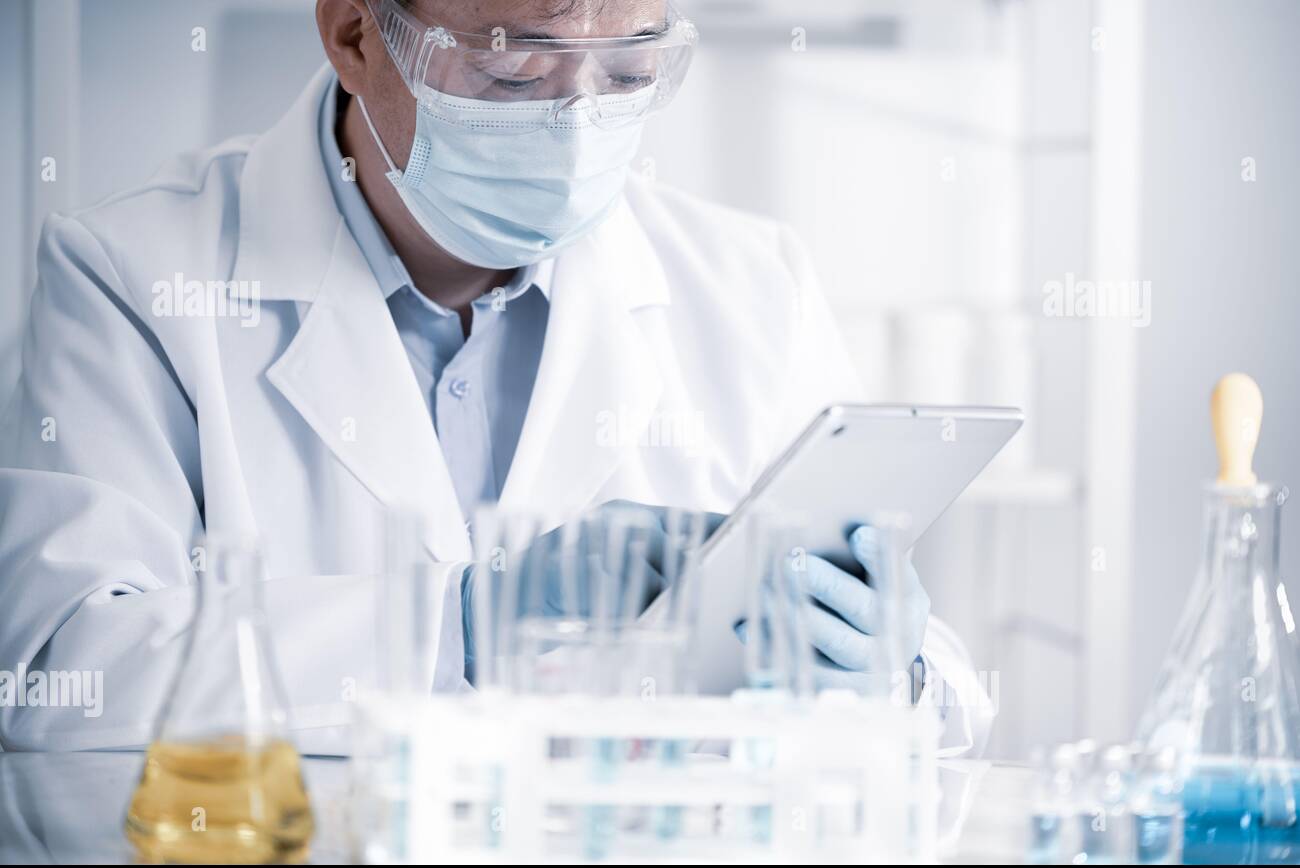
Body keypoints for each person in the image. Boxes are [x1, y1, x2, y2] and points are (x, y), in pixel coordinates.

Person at [0, 0, 991, 755]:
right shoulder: (132, 272)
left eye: (632, 60)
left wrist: (894, 678)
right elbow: (53, 675)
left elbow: (941, 704)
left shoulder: (751, 286)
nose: (578, 123)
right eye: (517, 67)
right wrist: (465, 623)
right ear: (353, 35)